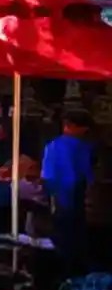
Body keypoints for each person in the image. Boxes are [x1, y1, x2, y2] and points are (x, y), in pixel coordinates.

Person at [42, 109, 96, 275]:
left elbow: (47, 175)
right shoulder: (85, 147)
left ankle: (62, 273)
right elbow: (88, 173)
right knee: (77, 236)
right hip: (76, 193)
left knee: (62, 236)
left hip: (59, 195)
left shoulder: (53, 146)